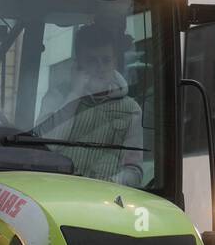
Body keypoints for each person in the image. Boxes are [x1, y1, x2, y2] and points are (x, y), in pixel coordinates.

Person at [37, 24, 143, 187]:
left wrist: (113, 183)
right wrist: (74, 95)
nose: (100, 68)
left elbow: (134, 171)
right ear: (78, 65)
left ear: (115, 62)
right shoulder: (56, 98)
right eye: (92, 61)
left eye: (106, 60)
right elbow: (46, 147)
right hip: (57, 192)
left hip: (106, 200)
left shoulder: (131, 109)